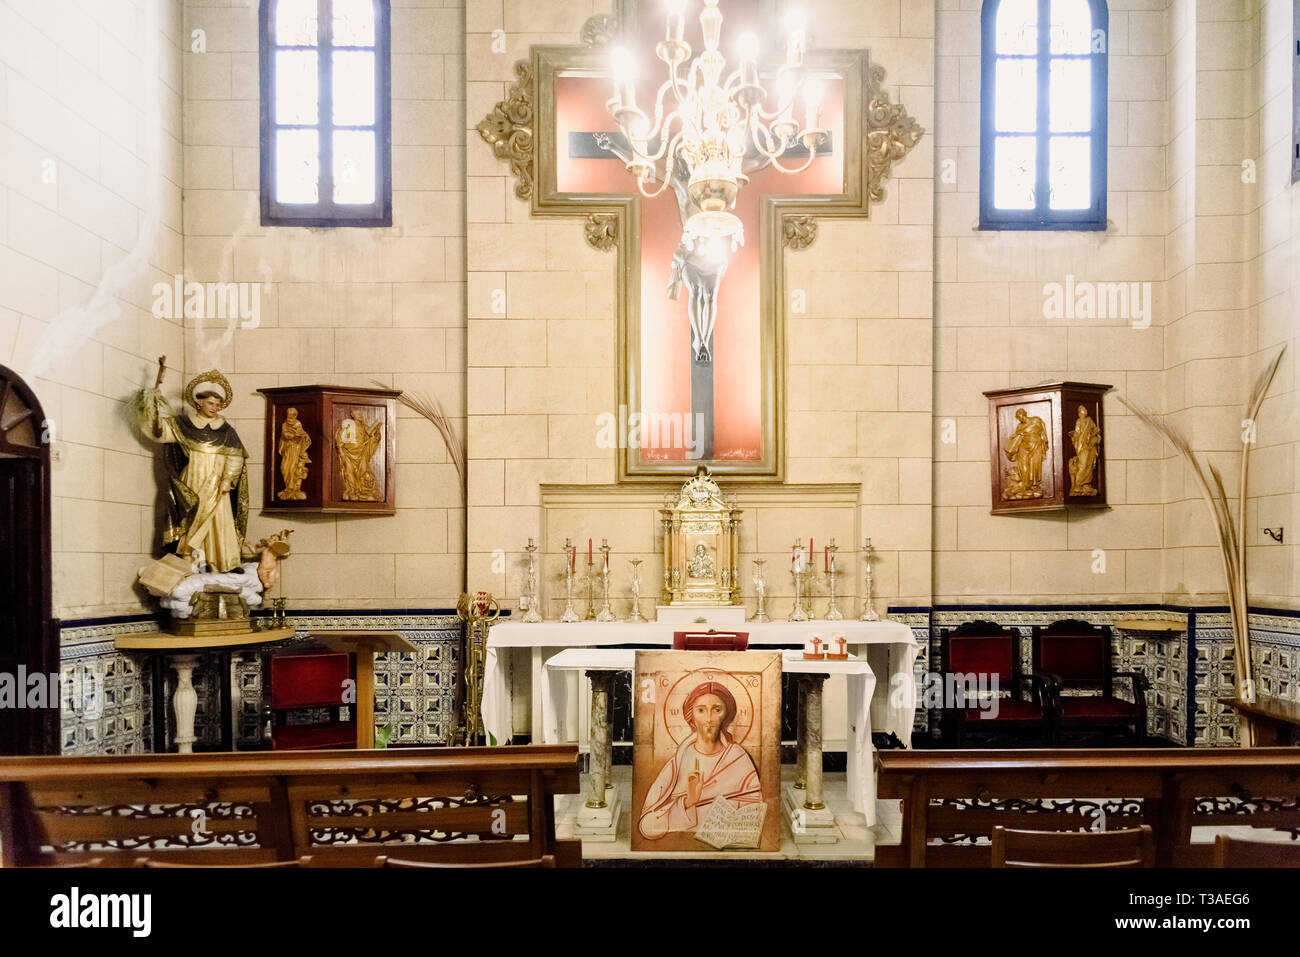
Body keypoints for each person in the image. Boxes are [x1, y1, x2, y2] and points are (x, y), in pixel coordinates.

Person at [133, 362, 249, 573]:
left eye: (218, 405)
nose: (215, 408)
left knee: (219, 520)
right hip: (194, 477)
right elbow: (159, 432)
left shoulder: (226, 430)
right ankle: (190, 560)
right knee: (192, 515)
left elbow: (236, 456)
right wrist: (152, 402)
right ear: (199, 403)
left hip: (217, 480)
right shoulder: (184, 425)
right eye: (211, 403)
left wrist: (228, 479)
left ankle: (224, 561)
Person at [637, 681, 761, 840]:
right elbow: (647, 827)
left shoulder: (738, 760)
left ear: (726, 716)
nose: (709, 718)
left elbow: (753, 819)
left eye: (717, 710)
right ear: (692, 717)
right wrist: (688, 802)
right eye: (701, 710)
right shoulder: (678, 763)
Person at [1003, 407, 1049, 499]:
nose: (1020, 418)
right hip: (1023, 446)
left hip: (1035, 445)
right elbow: (1017, 436)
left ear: (1024, 414)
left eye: (1020, 415)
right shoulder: (1019, 426)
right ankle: (1025, 484)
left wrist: (1044, 444)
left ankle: (1032, 486)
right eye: (1018, 417)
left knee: (1034, 465)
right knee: (1023, 465)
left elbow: (1041, 430)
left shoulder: (1036, 420)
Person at [276, 407, 311, 500]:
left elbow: (302, 435)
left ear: (295, 415)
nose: (289, 416)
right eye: (288, 414)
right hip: (287, 449)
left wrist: (299, 435)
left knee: (293, 468)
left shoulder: (298, 424)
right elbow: (286, 435)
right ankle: (287, 488)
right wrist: (294, 435)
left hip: (296, 449)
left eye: (292, 414)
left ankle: (293, 489)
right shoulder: (284, 424)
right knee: (284, 468)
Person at [1068, 405, 1101, 495]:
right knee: (1083, 464)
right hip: (1083, 446)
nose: (1086, 410)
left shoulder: (1090, 420)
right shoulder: (1079, 422)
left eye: (1086, 409)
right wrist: (1074, 437)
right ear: (1079, 413)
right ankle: (1078, 484)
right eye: (1084, 409)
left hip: (1090, 445)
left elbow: (1096, 430)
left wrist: (1093, 434)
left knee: (1088, 466)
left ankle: (1086, 484)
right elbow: (1077, 434)